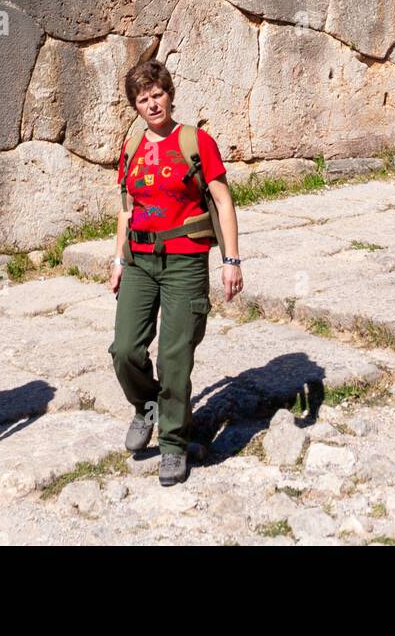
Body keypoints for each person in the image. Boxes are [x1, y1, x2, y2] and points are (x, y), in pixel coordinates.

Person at [108, 60, 243, 486]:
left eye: (157, 94)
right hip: (139, 262)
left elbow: (223, 200)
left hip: (185, 261)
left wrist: (232, 261)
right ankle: (147, 407)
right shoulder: (131, 147)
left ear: (169, 94)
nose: (152, 104)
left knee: (174, 358)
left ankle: (172, 444)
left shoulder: (196, 141)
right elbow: (126, 209)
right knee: (125, 350)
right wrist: (116, 260)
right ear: (135, 105)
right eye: (142, 99)